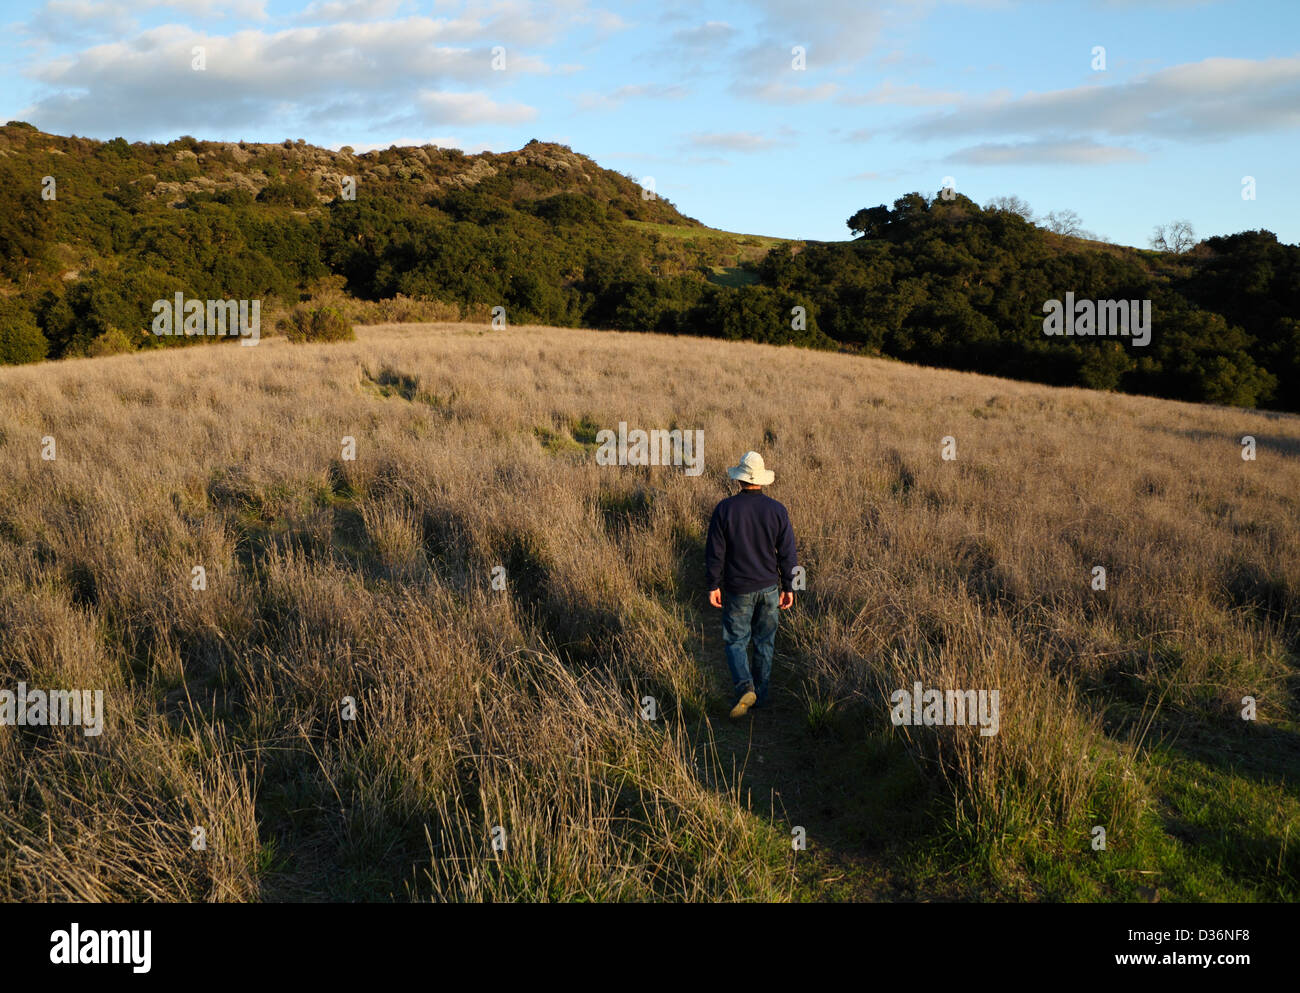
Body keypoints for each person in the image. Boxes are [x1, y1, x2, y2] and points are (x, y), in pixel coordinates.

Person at [704, 451, 797, 719]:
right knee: (764, 643)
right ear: (762, 480)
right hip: (769, 589)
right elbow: (788, 553)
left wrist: (713, 585)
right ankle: (761, 697)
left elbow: (715, 552)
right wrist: (788, 586)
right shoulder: (778, 510)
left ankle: (745, 686)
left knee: (735, 640)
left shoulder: (725, 509)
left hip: (737, 589)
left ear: (739, 480)